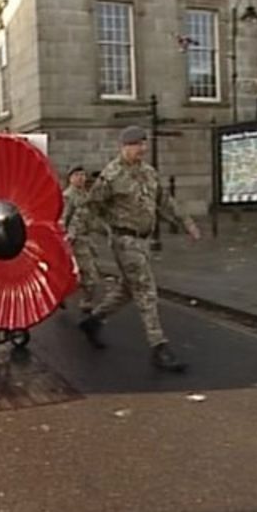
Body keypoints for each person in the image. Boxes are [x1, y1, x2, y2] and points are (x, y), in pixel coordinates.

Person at [78, 125, 201, 372]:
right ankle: (159, 346)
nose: (142, 149)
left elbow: (165, 201)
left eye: (144, 144)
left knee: (127, 290)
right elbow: (91, 207)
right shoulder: (111, 175)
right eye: (136, 144)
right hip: (124, 241)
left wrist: (187, 223)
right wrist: (95, 231)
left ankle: (94, 320)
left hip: (143, 240)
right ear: (124, 147)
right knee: (146, 289)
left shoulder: (149, 172)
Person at [62, 166, 104, 313]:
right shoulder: (68, 196)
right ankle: (85, 301)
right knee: (89, 274)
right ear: (70, 178)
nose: (81, 178)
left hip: (86, 238)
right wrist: (66, 237)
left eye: (83, 175)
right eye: (77, 175)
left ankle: (64, 295)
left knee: (82, 273)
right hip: (75, 240)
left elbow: (92, 217)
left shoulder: (85, 194)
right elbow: (64, 218)